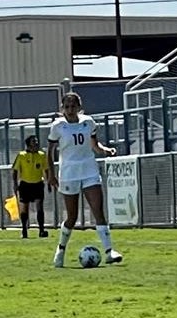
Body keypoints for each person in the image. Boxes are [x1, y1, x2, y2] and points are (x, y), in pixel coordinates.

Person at [46, 92, 122, 268]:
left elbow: (94, 144)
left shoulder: (89, 122)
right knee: (72, 217)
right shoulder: (58, 126)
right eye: (67, 107)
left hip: (89, 170)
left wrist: (105, 150)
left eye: (73, 106)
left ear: (79, 107)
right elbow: (50, 151)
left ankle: (109, 251)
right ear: (62, 108)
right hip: (69, 172)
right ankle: (61, 250)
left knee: (98, 211)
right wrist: (51, 173)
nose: (70, 110)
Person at [11, 135, 49, 239]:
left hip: (38, 184)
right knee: (24, 208)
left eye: (37, 141)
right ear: (28, 144)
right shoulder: (21, 155)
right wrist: (15, 184)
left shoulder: (41, 155)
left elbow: (46, 169)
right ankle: (24, 229)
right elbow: (15, 170)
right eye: (34, 142)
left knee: (39, 206)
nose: (36, 143)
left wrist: (49, 181)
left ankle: (41, 230)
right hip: (25, 184)